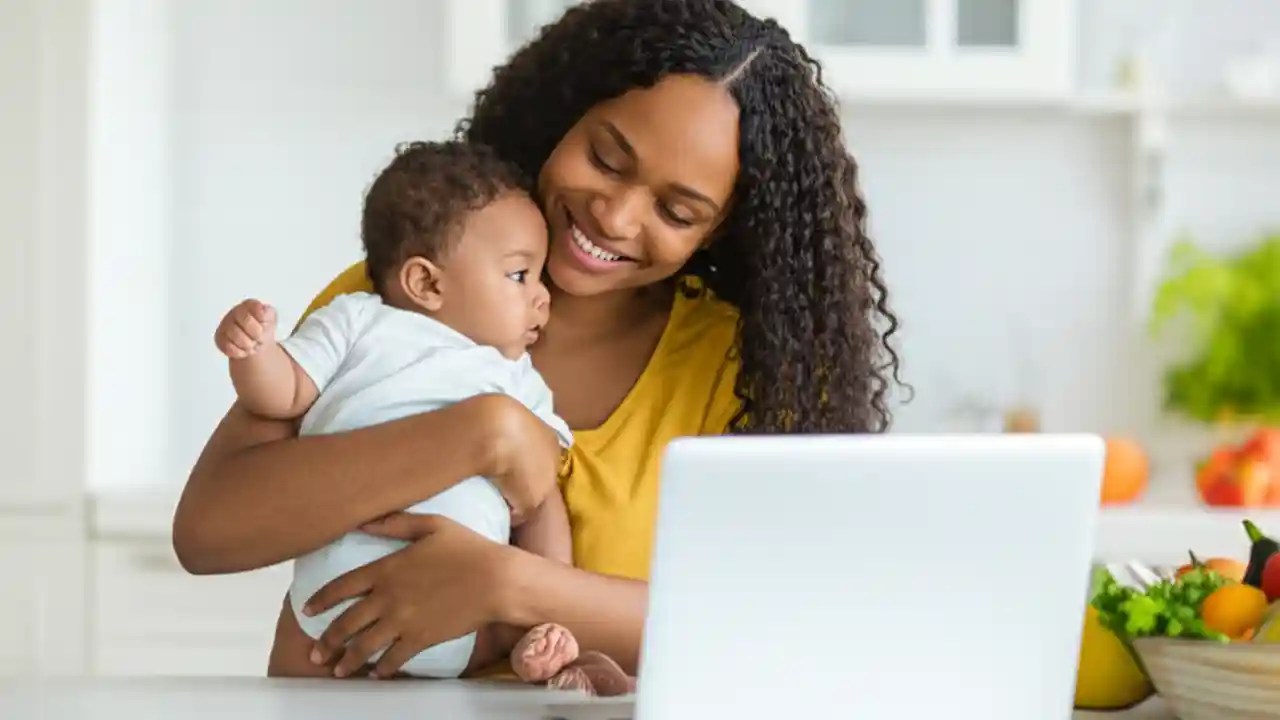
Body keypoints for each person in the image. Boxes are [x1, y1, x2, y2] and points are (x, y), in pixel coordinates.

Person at [173, 0, 904, 683]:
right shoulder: (400, 294)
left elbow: (786, 624)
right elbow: (208, 533)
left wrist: (507, 583)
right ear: (565, 115)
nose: (615, 217)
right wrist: (485, 434)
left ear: (721, 230)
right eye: (608, 159)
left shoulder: (748, 373)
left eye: (678, 210)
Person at [210, 139, 633, 687]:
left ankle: (537, 629)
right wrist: (253, 354)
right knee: (306, 650)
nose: (542, 298)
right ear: (427, 283)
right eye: (519, 275)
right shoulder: (359, 321)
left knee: (544, 505)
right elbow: (283, 394)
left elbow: (535, 477)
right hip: (334, 595)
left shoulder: (513, 372)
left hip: (471, 608)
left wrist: (526, 464)